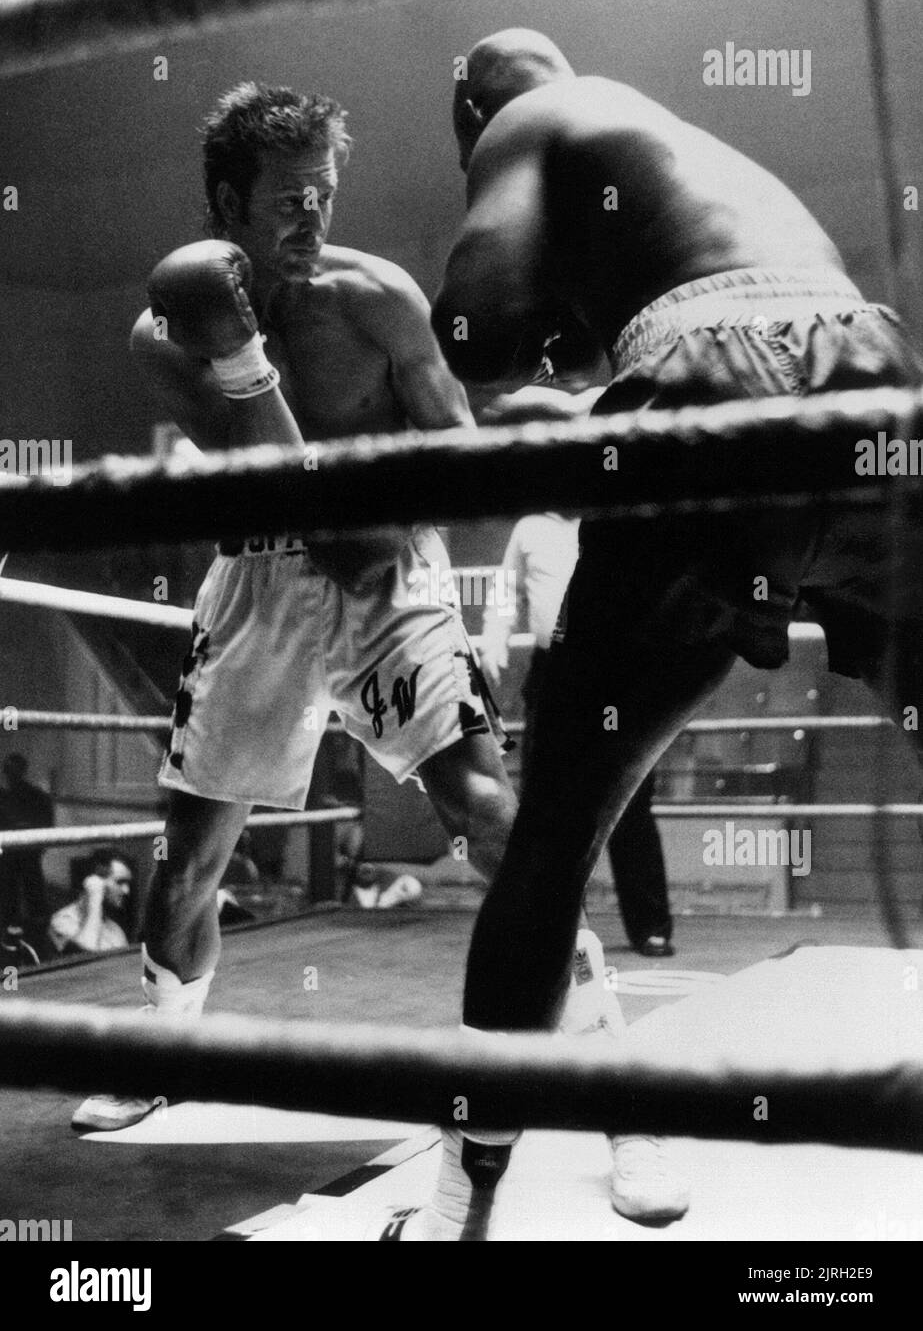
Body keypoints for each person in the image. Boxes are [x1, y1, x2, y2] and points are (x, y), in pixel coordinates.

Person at [380, 28, 923, 1241]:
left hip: (711, 397)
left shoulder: (532, 117)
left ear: (472, 113)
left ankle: (466, 1186)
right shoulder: (692, 153)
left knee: (553, 835)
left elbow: (472, 329)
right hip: (878, 389)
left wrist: (546, 368)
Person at [72, 83, 640, 1176]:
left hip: (392, 574)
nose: (311, 219)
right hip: (259, 579)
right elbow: (268, 480)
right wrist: (241, 359)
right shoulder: (164, 333)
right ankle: (161, 1051)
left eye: (323, 195)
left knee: (482, 806)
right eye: (287, 200)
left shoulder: (378, 300)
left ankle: (604, 1062)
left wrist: (380, 515)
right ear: (226, 201)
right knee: (189, 856)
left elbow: (459, 457)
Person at [481, 510, 674, 956]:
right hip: (555, 673)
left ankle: (651, 926)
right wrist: (494, 642)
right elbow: (505, 594)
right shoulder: (528, 527)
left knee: (632, 803)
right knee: (545, 806)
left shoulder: (623, 519)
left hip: (622, 669)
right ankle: (554, 928)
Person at [0, 752, 54, 947]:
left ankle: (28, 930)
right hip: (18, 850)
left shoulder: (33, 795)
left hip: (22, 850)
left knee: (23, 890)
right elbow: (47, 821)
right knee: (19, 890)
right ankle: (32, 931)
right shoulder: (34, 795)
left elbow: (46, 821)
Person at [49, 849, 134, 956]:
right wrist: (95, 896)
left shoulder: (116, 930)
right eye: (120, 882)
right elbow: (86, 956)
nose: (127, 891)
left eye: (128, 883)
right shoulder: (62, 921)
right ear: (96, 881)